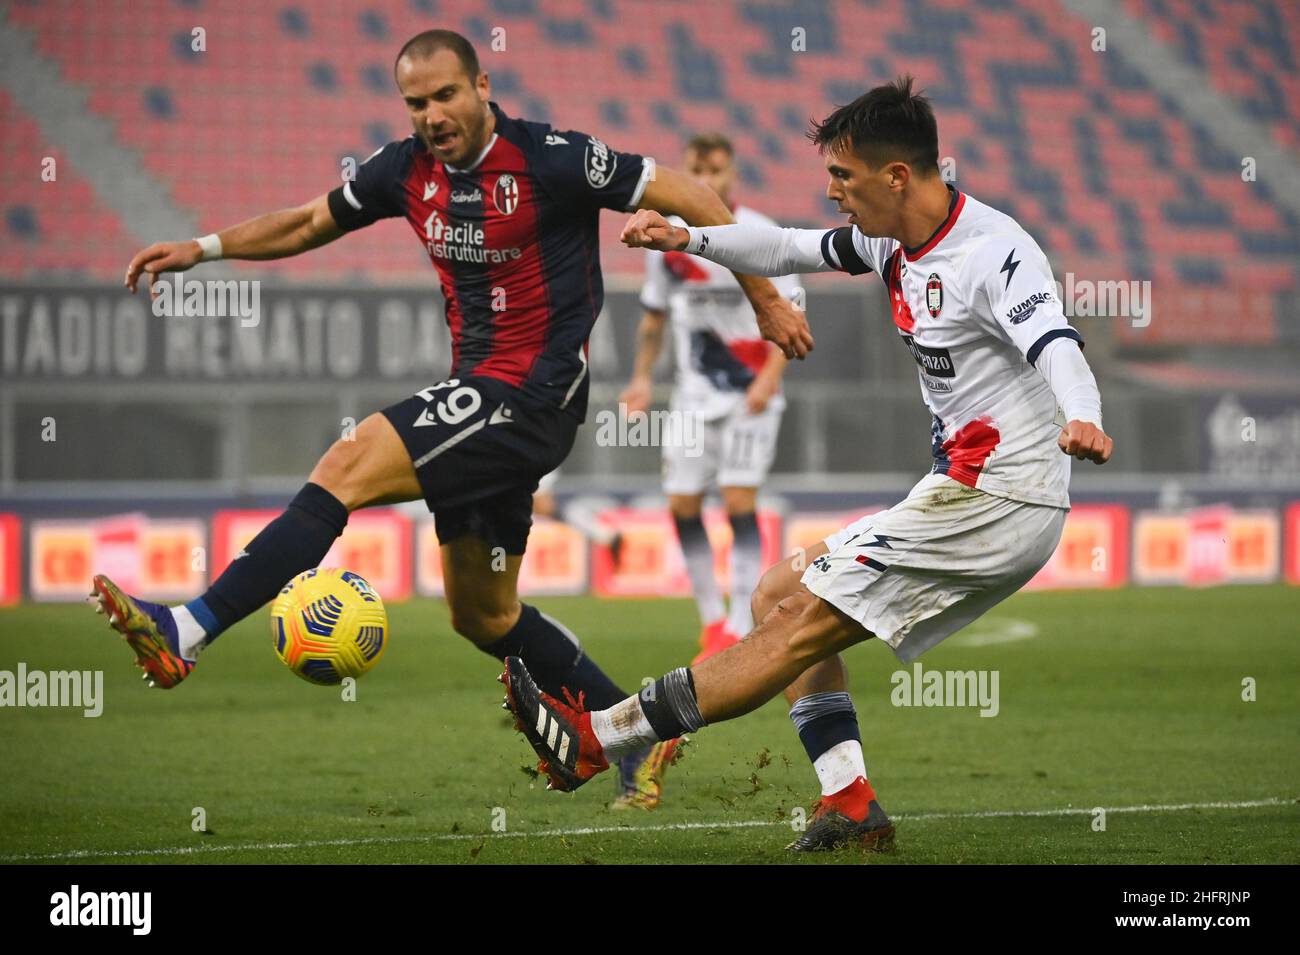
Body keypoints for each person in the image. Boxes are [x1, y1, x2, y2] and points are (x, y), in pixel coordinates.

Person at [92, 30, 811, 782]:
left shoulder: (553, 157)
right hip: (484, 401)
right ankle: (631, 735)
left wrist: (762, 298)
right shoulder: (403, 171)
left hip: (534, 393)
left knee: (348, 460)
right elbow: (308, 222)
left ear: (482, 86)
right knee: (483, 614)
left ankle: (188, 627)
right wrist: (202, 248)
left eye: (444, 95)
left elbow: (693, 194)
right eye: (415, 102)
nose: (432, 114)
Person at [499, 77, 1113, 852]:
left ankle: (602, 737)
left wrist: (1083, 415)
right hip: (957, 489)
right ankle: (850, 801)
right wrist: (690, 238)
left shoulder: (991, 253)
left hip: (1000, 498)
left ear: (898, 176)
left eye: (842, 177)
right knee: (777, 593)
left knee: (797, 628)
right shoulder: (890, 236)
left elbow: (1055, 343)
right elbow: (786, 246)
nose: (831, 192)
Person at [620, 132, 796, 668]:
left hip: (750, 393)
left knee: (740, 503)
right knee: (682, 505)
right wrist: (641, 379)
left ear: (732, 175)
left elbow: (791, 310)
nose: (707, 181)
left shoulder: (760, 235)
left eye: (716, 171)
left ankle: (742, 625)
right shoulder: (664, 240)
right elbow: (653, 319)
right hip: (693, 398)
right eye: (697, 171)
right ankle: (710, 620)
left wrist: (770, 377)